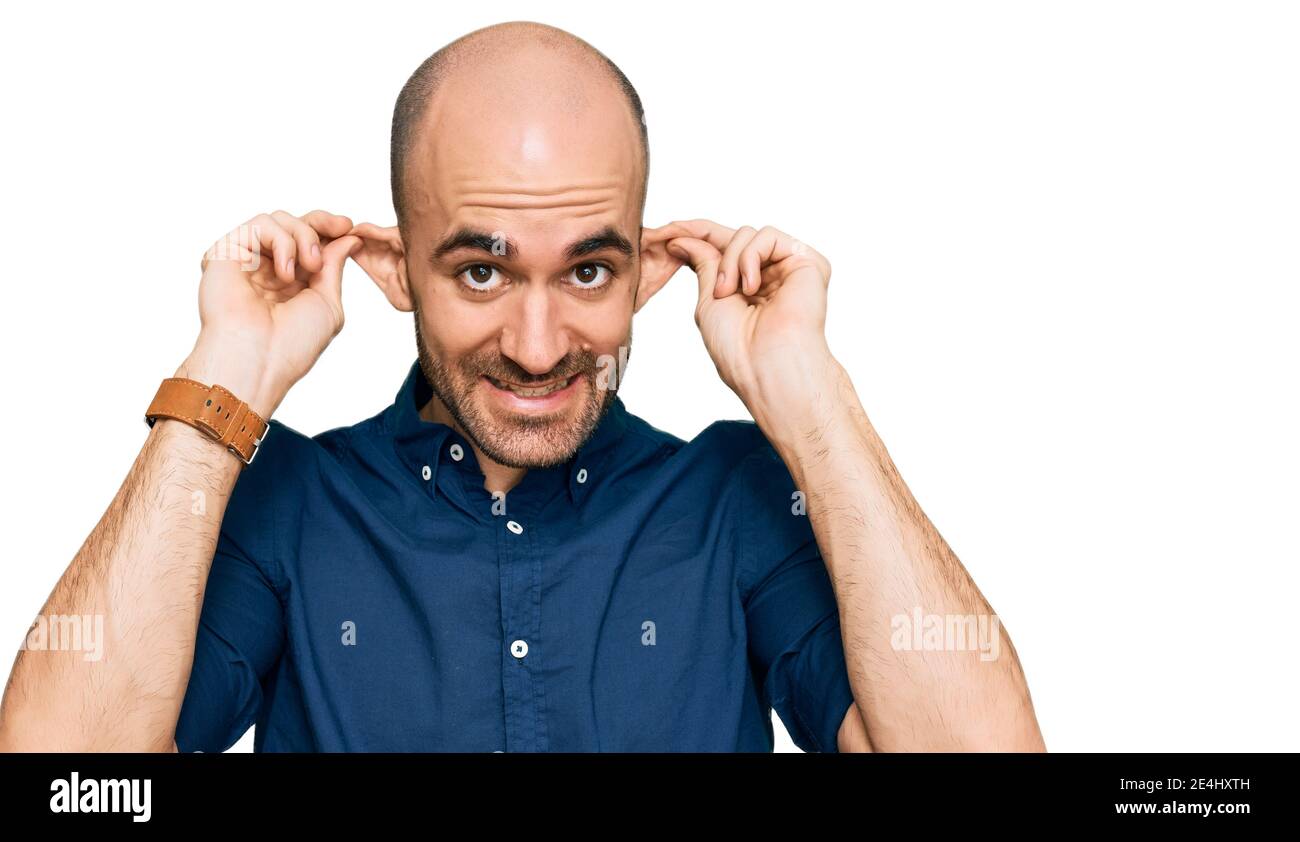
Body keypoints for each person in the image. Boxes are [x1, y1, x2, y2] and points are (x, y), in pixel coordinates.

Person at [0, 21, 1045, 752]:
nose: (540, 346)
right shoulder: (292, 501)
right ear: (395, 269)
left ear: (644, 269)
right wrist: (225, 372)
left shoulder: (732, 498)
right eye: (481, 270)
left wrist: (811, 401)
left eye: (587, 270)